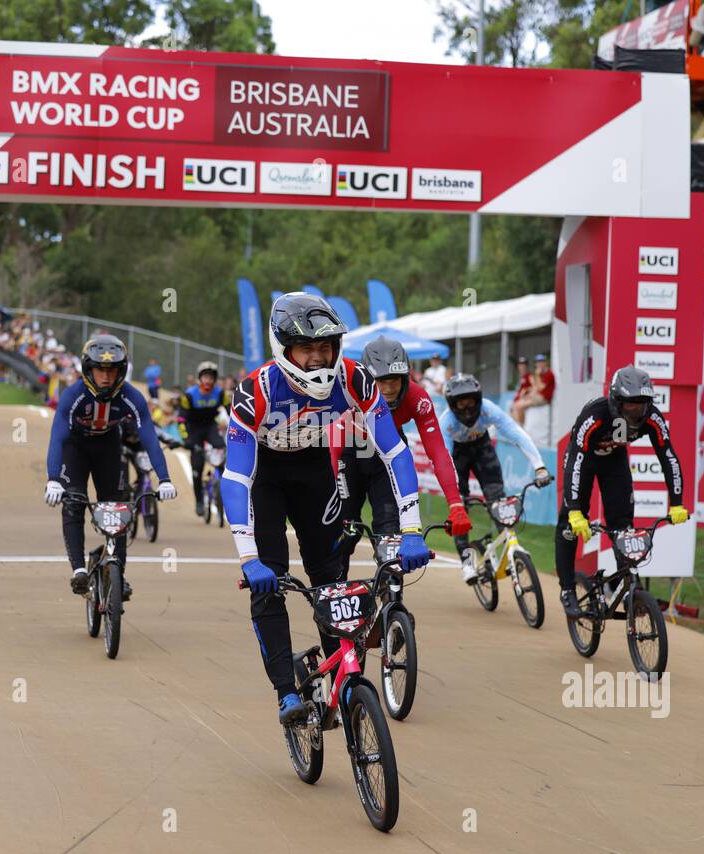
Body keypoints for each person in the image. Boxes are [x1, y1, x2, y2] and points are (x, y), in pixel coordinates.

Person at [223, 293, 430, 725]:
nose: (319, 358)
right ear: (283, 348)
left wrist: (411, 529)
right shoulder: (255, 391)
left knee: (331, 581)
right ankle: (285, 692)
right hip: (266, 478)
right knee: (270, 582)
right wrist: (248, 558)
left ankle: (341, 674)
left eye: (326, 346)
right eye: (307, 348)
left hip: (317, 473)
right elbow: (236, 478)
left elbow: (394, 452)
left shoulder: (356, 379)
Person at [44, 334, 178, 598]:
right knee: (74, 503)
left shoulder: (132, 397)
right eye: (99, 369)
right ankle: (79, 571)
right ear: (88, 369)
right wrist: (53, 478)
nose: (106, 376)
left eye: (112, 370)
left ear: (122, 370)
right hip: (76, 449)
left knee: (116, 512)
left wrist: (164, 478)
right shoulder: (73, 396)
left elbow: (149, 437)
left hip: (108, 448)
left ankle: (118, 572)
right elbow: (57, 436)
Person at [329, 336, 471, 577]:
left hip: (389, 455)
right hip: (349, 453)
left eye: (394, 380)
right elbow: (332, 450)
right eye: (379, 381)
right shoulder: (346, 393)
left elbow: (437, 451)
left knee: (391, 537)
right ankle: (337, 593)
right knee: (345, 535)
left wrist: (455, 503)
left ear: (406, 377)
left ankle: (390, 601)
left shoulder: (417, 397)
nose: (387, 389)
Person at [556, 366, 688, 617]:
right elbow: (575, 461)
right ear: (616, 401)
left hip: (614, 460)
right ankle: (567, 589)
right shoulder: (595, 415)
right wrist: (574, 510)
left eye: (642, 404)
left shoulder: (652, 418)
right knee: (569, 525)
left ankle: (623, 587)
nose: (637, 411)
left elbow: (668, 457)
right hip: (583, 460)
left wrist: (677, 502)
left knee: (622, 523)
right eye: (630, 405)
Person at [439, 373, 550, 583]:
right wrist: (455, 499)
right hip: (456, 456)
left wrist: (540, 467)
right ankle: (466, 561)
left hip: (482, 448)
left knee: (497, 499)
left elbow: (516, 434)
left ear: (479, 399)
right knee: (459, 510)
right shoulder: (446, 422)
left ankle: (509, 546)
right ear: (452, 404)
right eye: (461, 403)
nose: (467, 407)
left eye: (470, 401)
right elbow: (444, 460)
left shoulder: (488, 409)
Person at [179, 360, 232, 517]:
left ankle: (222, 489)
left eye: (211, 377)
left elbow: (232, 412)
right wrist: (185, 438)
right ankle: (200, 501)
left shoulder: (221, 393)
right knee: (197, 468)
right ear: (200, 378)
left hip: (210, 427)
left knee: (221, 449)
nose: (208, 381)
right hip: (193, 430)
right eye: (205, 377)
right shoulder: (189, 395)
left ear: (215, 380)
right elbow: (181, 420)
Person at [509, 356, 535, 424]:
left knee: (516, 408)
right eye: (520, 365)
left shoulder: (529, 375)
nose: (521, 367)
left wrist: (526, 390)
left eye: (523, 365)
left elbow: (535, 386)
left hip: (522, 401)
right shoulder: (522, 377)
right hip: (516, 402)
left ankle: (521, 428)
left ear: (526, 366)